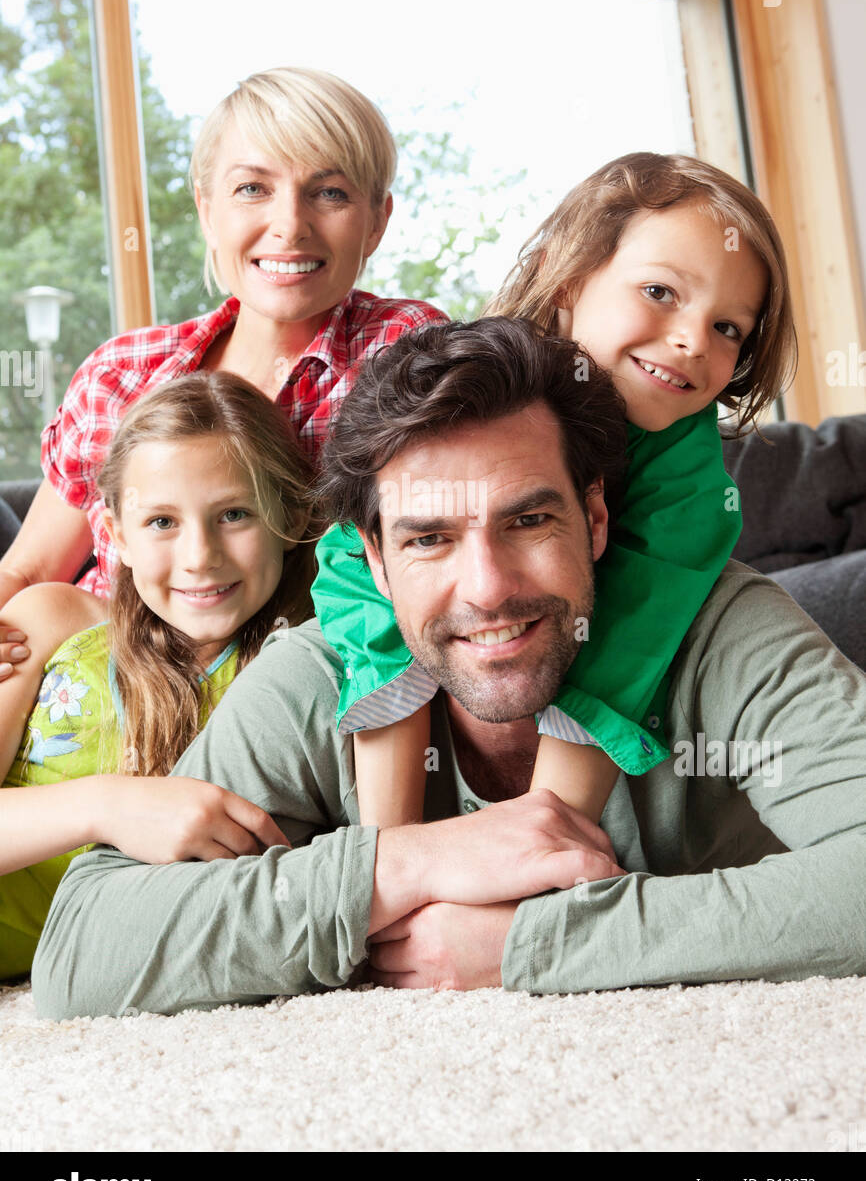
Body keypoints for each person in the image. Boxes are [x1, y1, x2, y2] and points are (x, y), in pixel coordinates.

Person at [30, 319, 866, 1016]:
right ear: (376, 563)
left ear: (597, 517)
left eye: (529, 519)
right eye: (428, 538)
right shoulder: (318, 673)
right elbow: (82, 951)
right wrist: (408, 862)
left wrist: (532, 942)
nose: (488, 589)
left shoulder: (722, 628)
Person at [312, 153, 796, 830]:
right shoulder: (482, 389)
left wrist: (536, 850)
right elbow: (352, 560)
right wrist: (392, 853)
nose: (691, 339)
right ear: (563, 279)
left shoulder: (689, 487)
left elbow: (623, 651)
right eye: (660, 292)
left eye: (727, 328)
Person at [0, 66, 447, 674]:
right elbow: (29, 570)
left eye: (331, 192)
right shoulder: (122, 373)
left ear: (377, 220)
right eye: (252, 189)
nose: (290, 224)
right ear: (207, 212)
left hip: (282, 697)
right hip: (96, 691)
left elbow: (426, 572)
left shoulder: (403, 353)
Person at [0, 372, 314, 980]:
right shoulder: (49, 621)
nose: (200, 556)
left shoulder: (297, 669)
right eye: (162, 522)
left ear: (291, 513)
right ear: (116, 535)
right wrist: (106, 806)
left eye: (234, 514)